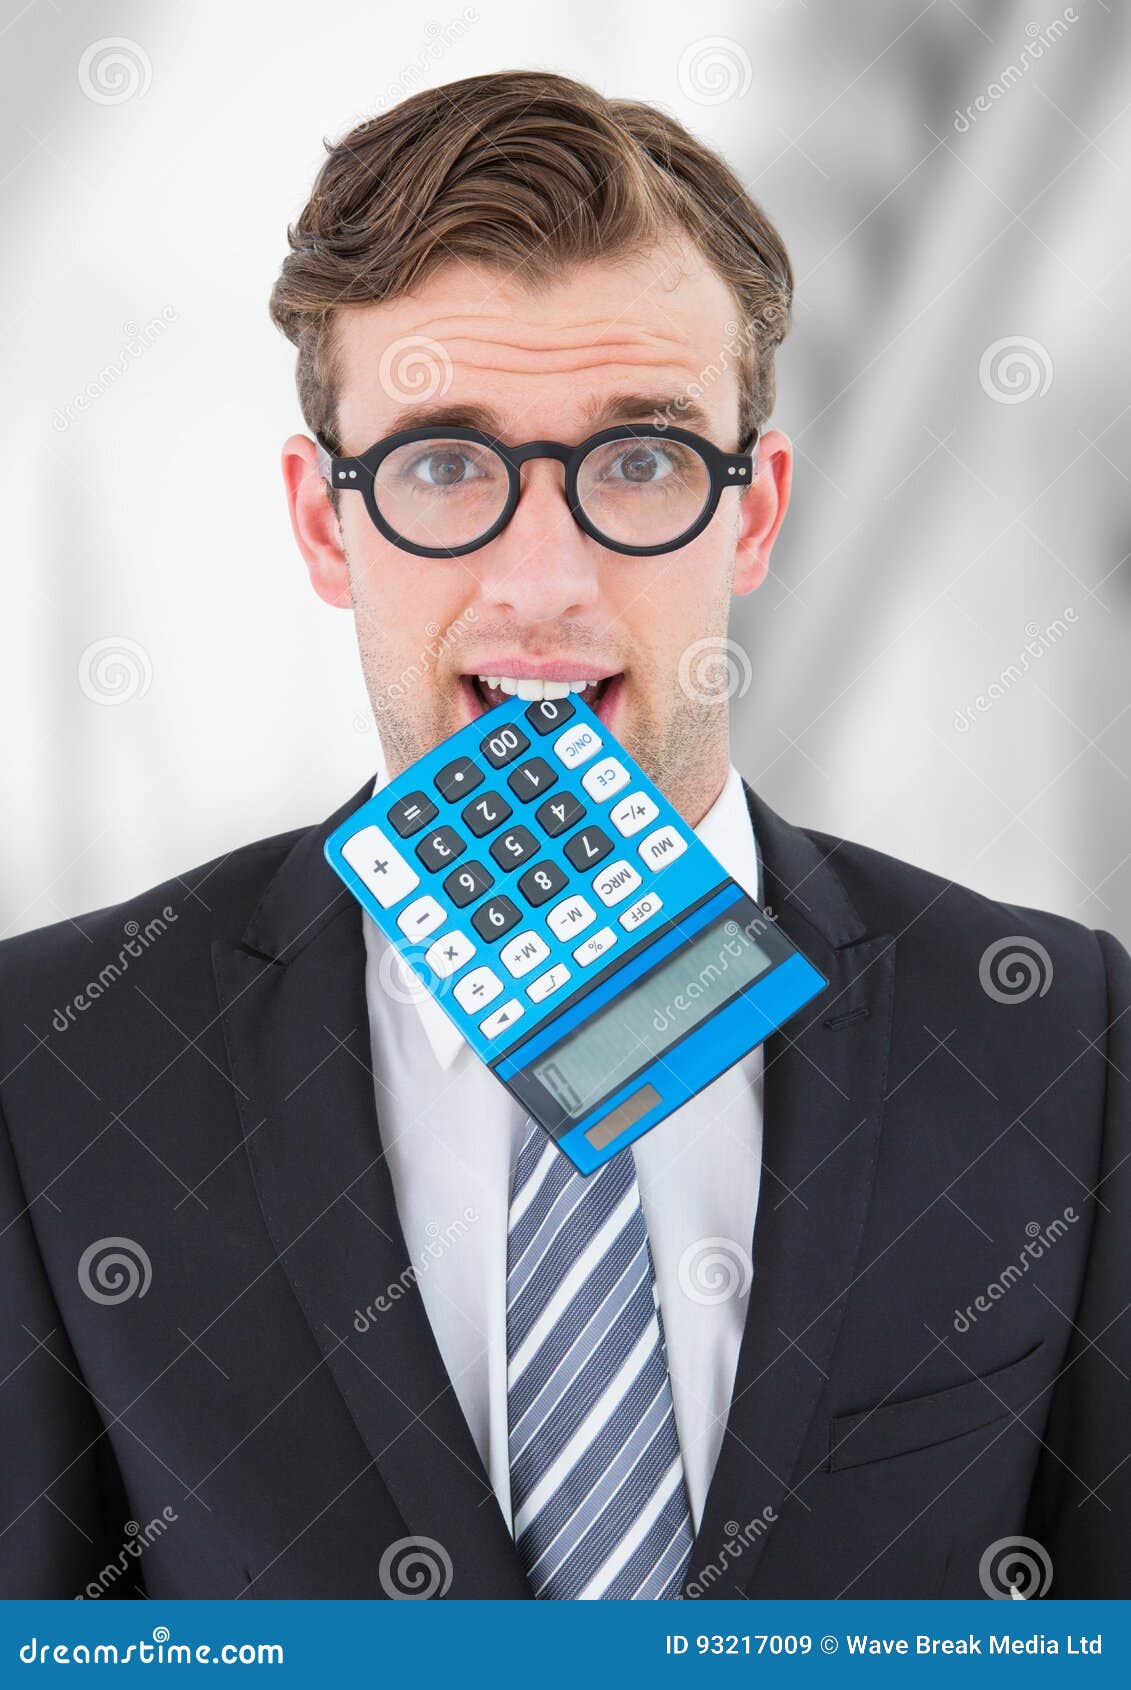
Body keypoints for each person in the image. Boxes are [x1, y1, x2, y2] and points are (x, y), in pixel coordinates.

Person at [0, 70, 1127, 1603]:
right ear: (327, 522)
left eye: (642, 461)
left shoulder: (1063, 1046)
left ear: (754, 510)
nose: (546, 580)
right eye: (444, 463)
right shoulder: (58, 1067)